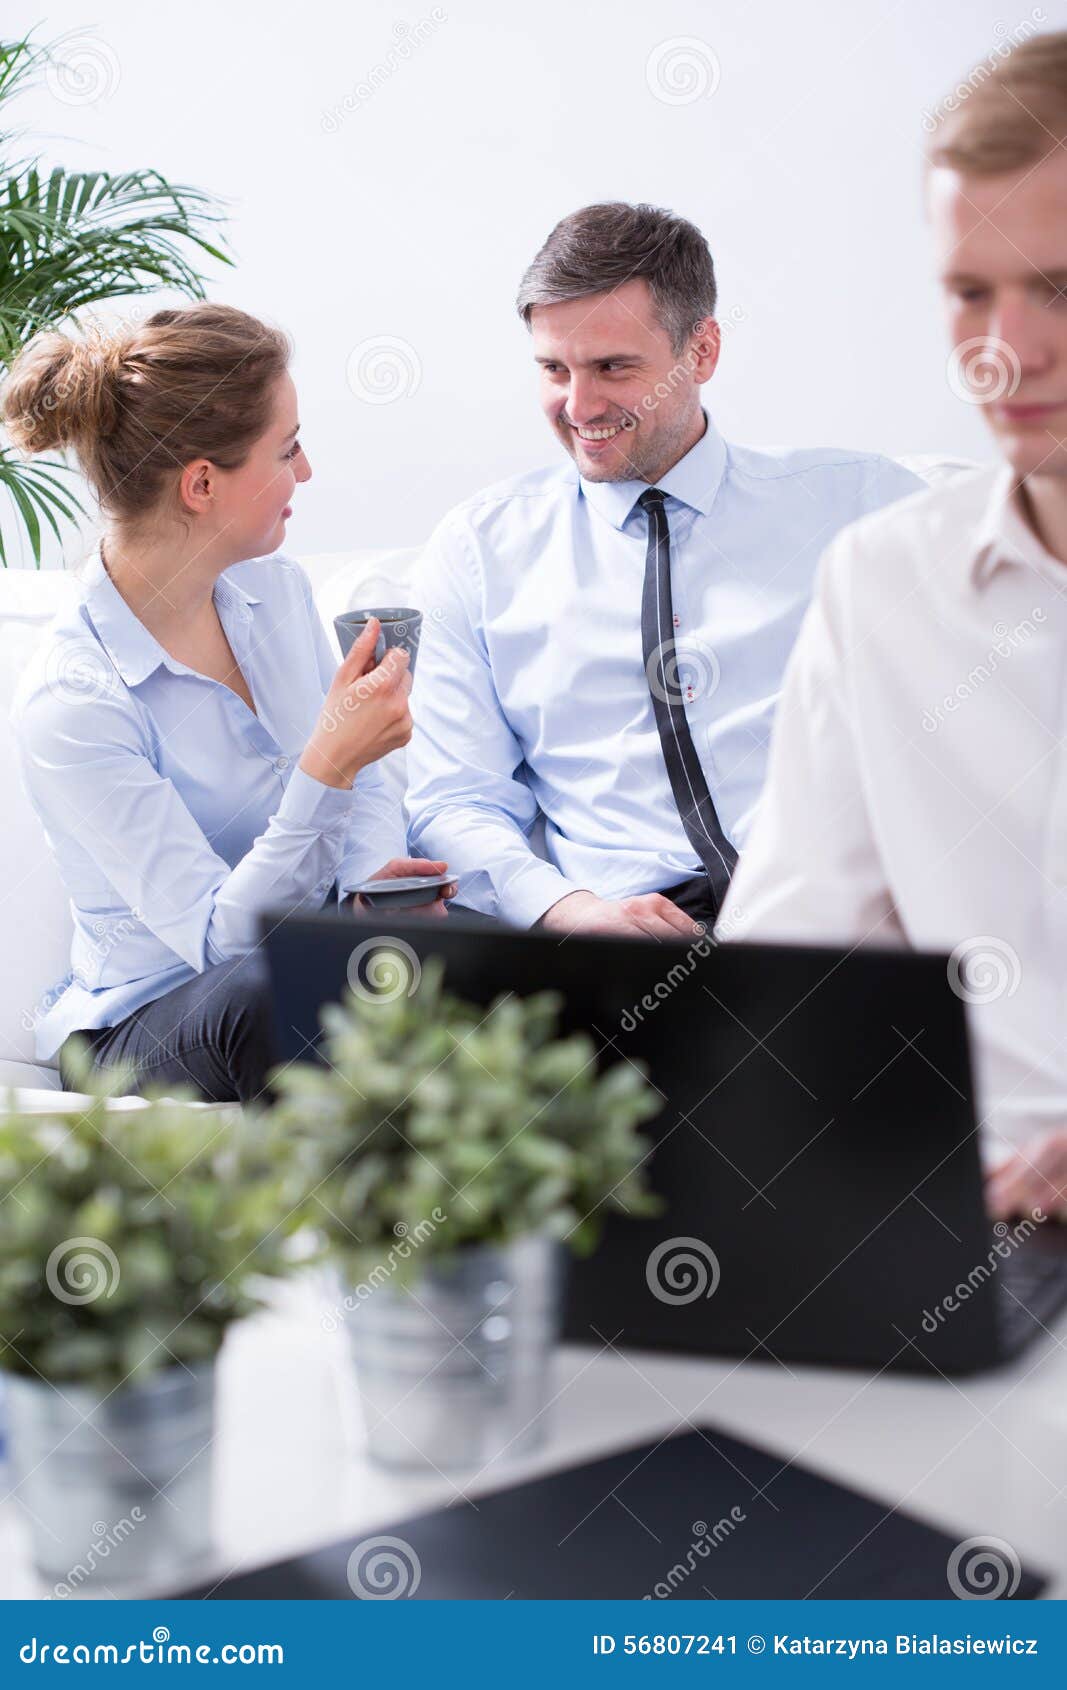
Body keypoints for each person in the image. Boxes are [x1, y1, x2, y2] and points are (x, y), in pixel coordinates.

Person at [718, 34, 1067, 1218]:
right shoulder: (880, 585)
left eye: (1057, 287)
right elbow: (786, 978)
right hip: (965, 1237)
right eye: (971, 290)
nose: (1002, 351)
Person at [404, 201, 924, 937]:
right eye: (554, 369)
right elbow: (455, 799)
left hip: (838, 924)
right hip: (620, 943)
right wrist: (568, 910)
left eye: (612, 367)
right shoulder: (478, 551)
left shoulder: (862, 505)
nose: (578, 406)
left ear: (701, 351)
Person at [5, 304, 454, 1103]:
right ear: (202, 483)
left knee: (498, 946)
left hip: (305, 955)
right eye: (286, 450)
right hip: (152, 1015)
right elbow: (221, 942)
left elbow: (370, 787)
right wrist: (326, 766)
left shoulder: (272, 592)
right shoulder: (74, 701)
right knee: (270, 992)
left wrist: (373, 887)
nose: (306, 472)